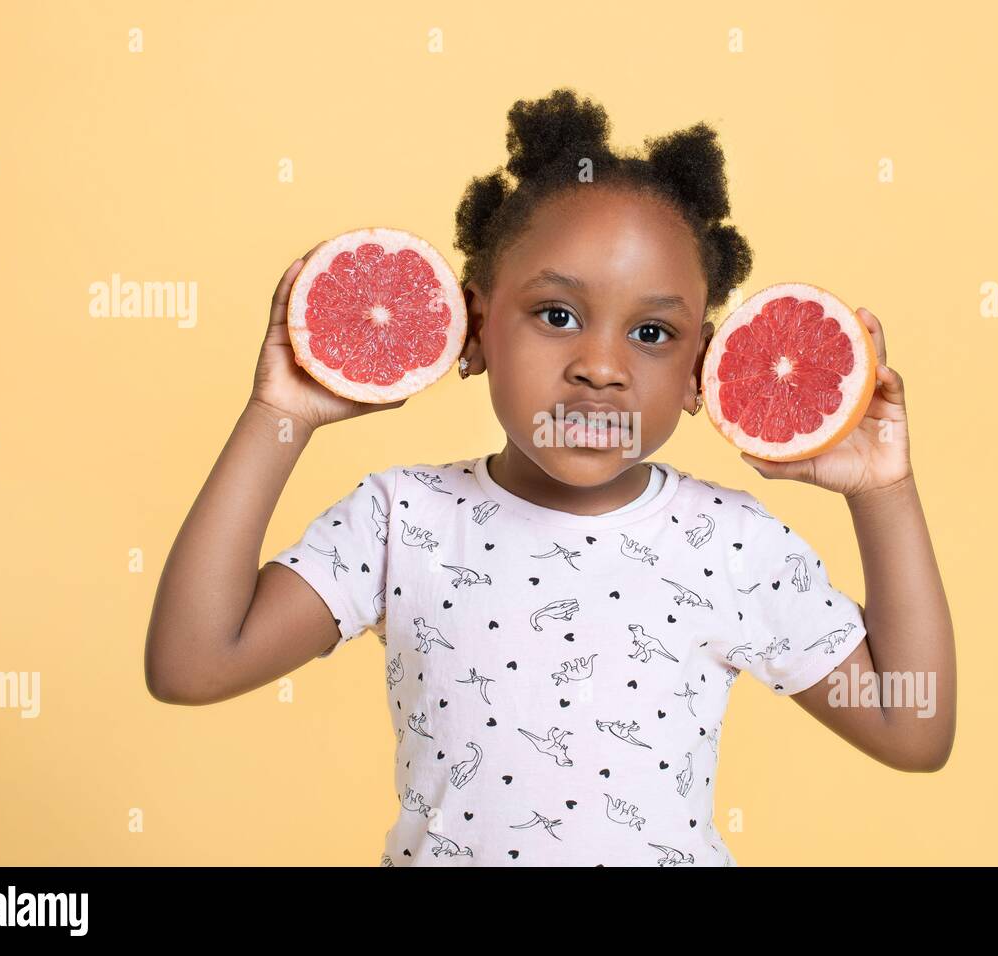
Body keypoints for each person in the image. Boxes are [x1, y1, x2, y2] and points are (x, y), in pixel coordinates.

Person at [145, 87, 955, 866]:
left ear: (699, 367)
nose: (600, 368)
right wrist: (277, 415)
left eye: (651, 331)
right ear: (474, 325)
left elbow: (911, 727)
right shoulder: (403, 520)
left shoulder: (731, 544)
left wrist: (881, 492)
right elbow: (193, 663)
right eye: (557, 315)